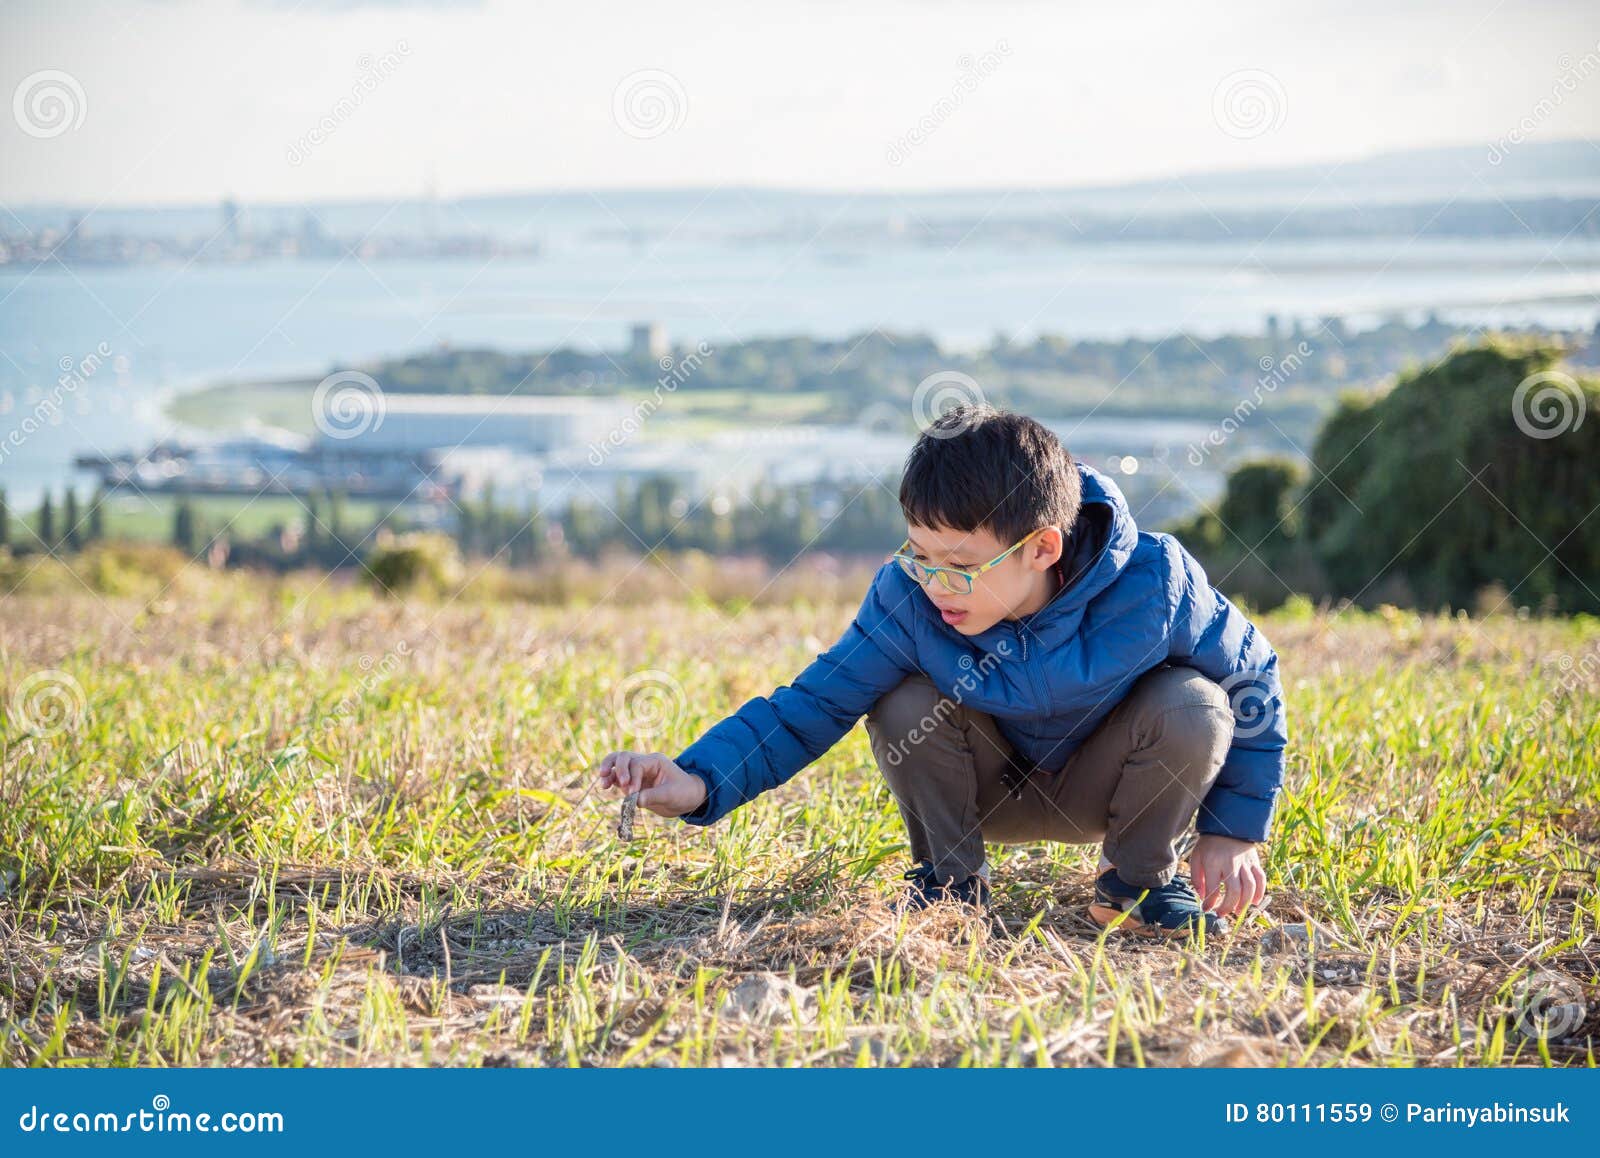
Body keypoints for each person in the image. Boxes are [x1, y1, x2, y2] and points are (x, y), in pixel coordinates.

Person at [595, 404, 1286, 938]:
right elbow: (808, 706)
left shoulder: (1155, 581)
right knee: (902, 700)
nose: (936, 583)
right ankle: (952, 887)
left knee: (1194, 703)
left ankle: (1135, 886)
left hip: (1111, 787)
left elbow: (1251, 678)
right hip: (978, 791)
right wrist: (698, 779)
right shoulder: (906, 596)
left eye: (960, 564)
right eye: (919, 553)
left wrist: (1233, 827)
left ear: (1042, 547)